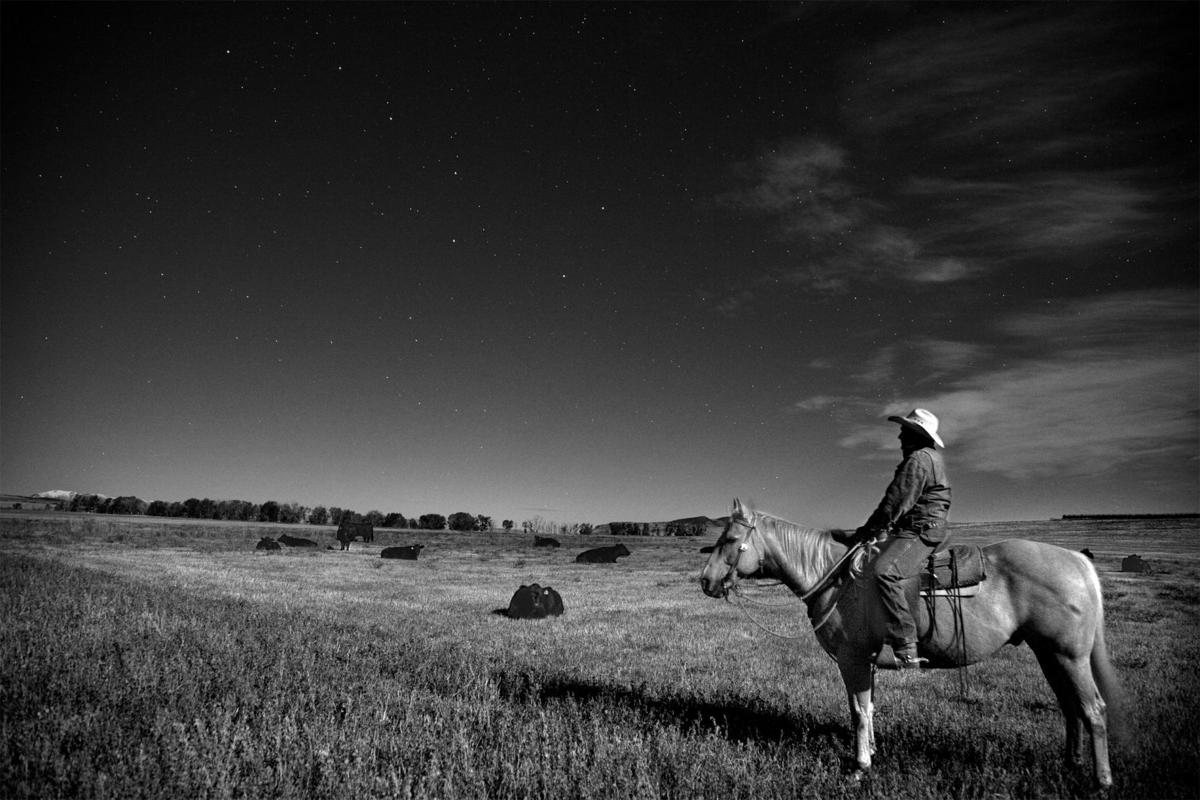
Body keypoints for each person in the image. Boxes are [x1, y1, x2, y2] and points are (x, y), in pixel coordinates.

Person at [854, 408, 952, 668]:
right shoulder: (929, 457)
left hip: (920, 530)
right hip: (918, 527)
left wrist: (868, 531)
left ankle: (906, 647)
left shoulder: (918, 460)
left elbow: (895, 502)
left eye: (904, 431)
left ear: (914, 434)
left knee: (884, 571)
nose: (899, 437)